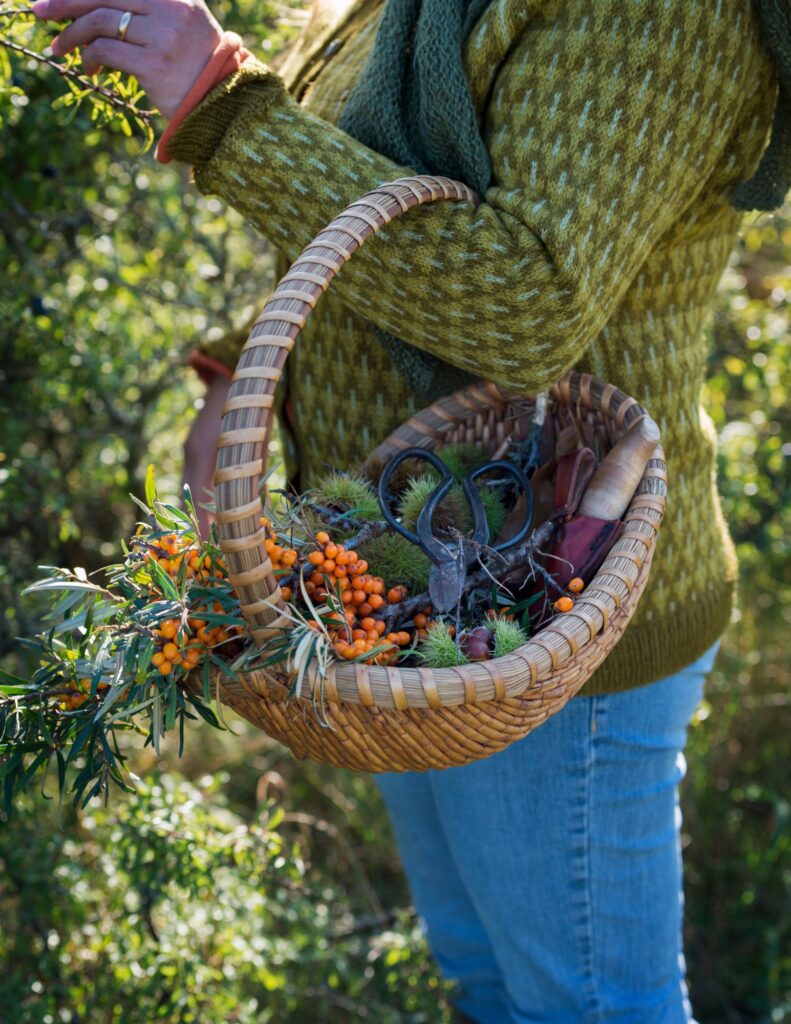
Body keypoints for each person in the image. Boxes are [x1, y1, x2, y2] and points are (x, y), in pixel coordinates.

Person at [32, 0, 787, 1019]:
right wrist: (243, 373)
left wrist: (222, 105)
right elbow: (363, 197)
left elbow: (523, 303)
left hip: (545, 619)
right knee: (481, 976)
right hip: (404, 595)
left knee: (587, 1005)